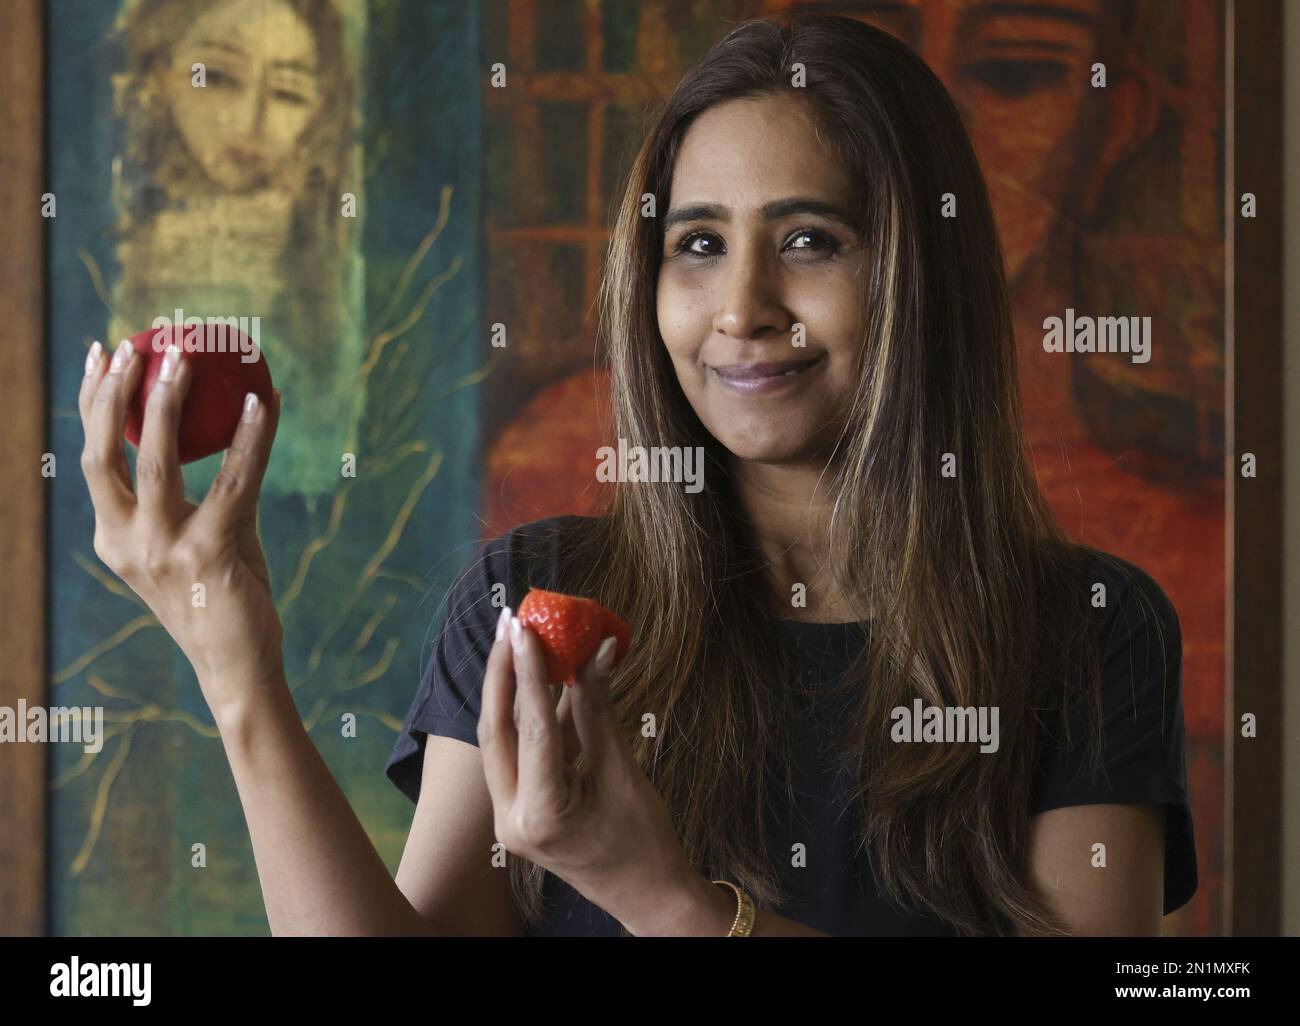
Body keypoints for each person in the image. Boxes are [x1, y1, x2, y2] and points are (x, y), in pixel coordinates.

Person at [78, 13, 1195, 937]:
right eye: (697, 245)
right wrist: (237, 668)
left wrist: (659, 896)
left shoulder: (1089, 635)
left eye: (810, 239)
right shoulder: (532, 605)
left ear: (919, 271)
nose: (741, 308)